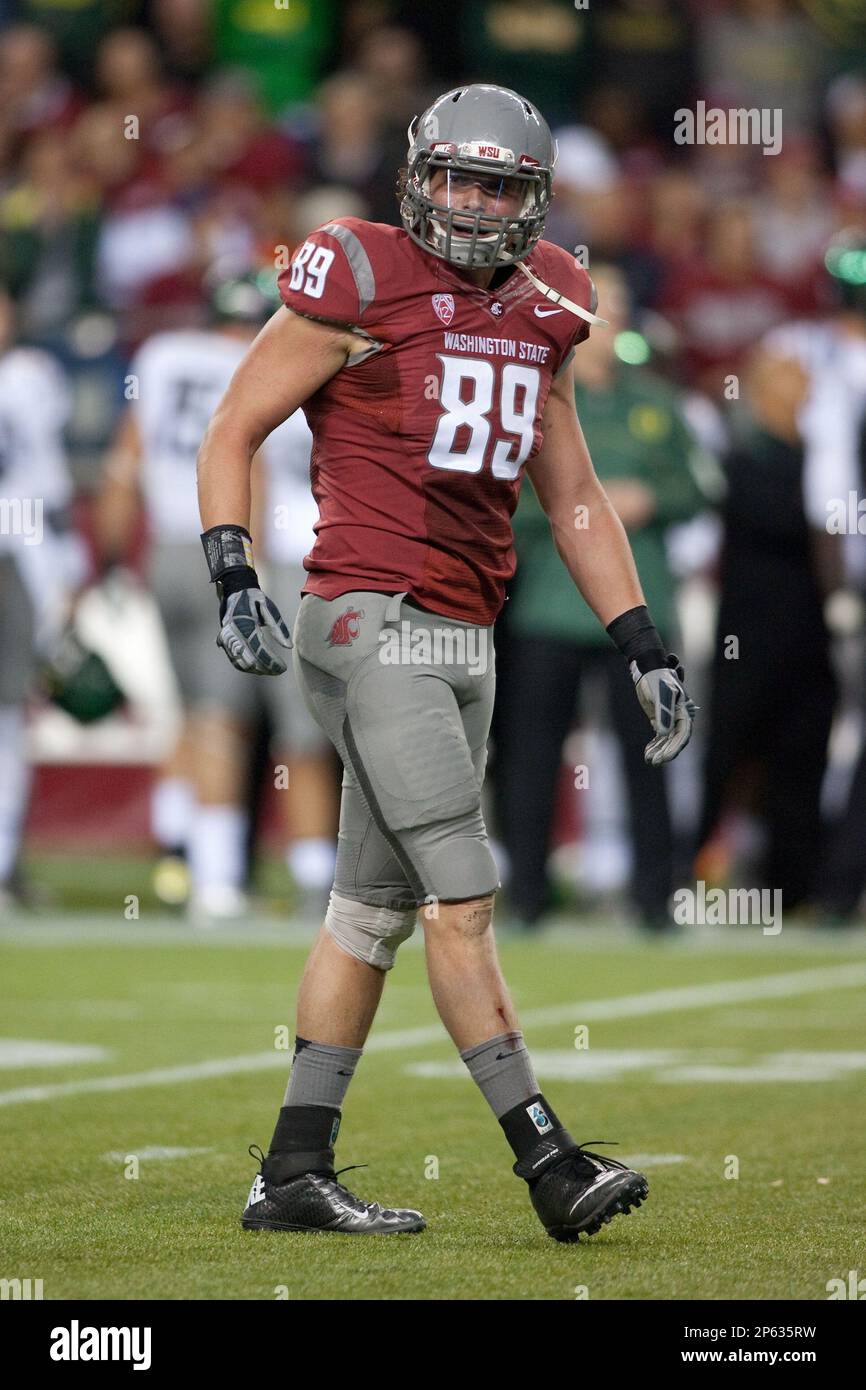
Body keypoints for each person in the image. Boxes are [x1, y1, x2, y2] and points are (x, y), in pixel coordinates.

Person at [197, 84, 697, 1241]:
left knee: (367, 913)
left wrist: (642, 641)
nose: (470, 203)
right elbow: (233, 426)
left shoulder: (549, 303)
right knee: (462, 896)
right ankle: (549, 1160)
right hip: (370, 618)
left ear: (532, 200)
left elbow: (568, 496)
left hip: (465, 632)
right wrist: (234, 570)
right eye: (455, 177)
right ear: (417, 175)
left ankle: (290, 1171)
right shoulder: (357, 275)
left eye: (496, 184)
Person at [95, 273, 335, 920]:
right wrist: (242, 567)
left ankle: (199, 862)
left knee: (201, 716)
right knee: (280, 723)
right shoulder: (263, 360)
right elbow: (246, 461)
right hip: (238, 546)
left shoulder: (163, 355)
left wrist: (113, 564)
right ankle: (263, 875)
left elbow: (123, 464)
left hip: (167, 549)